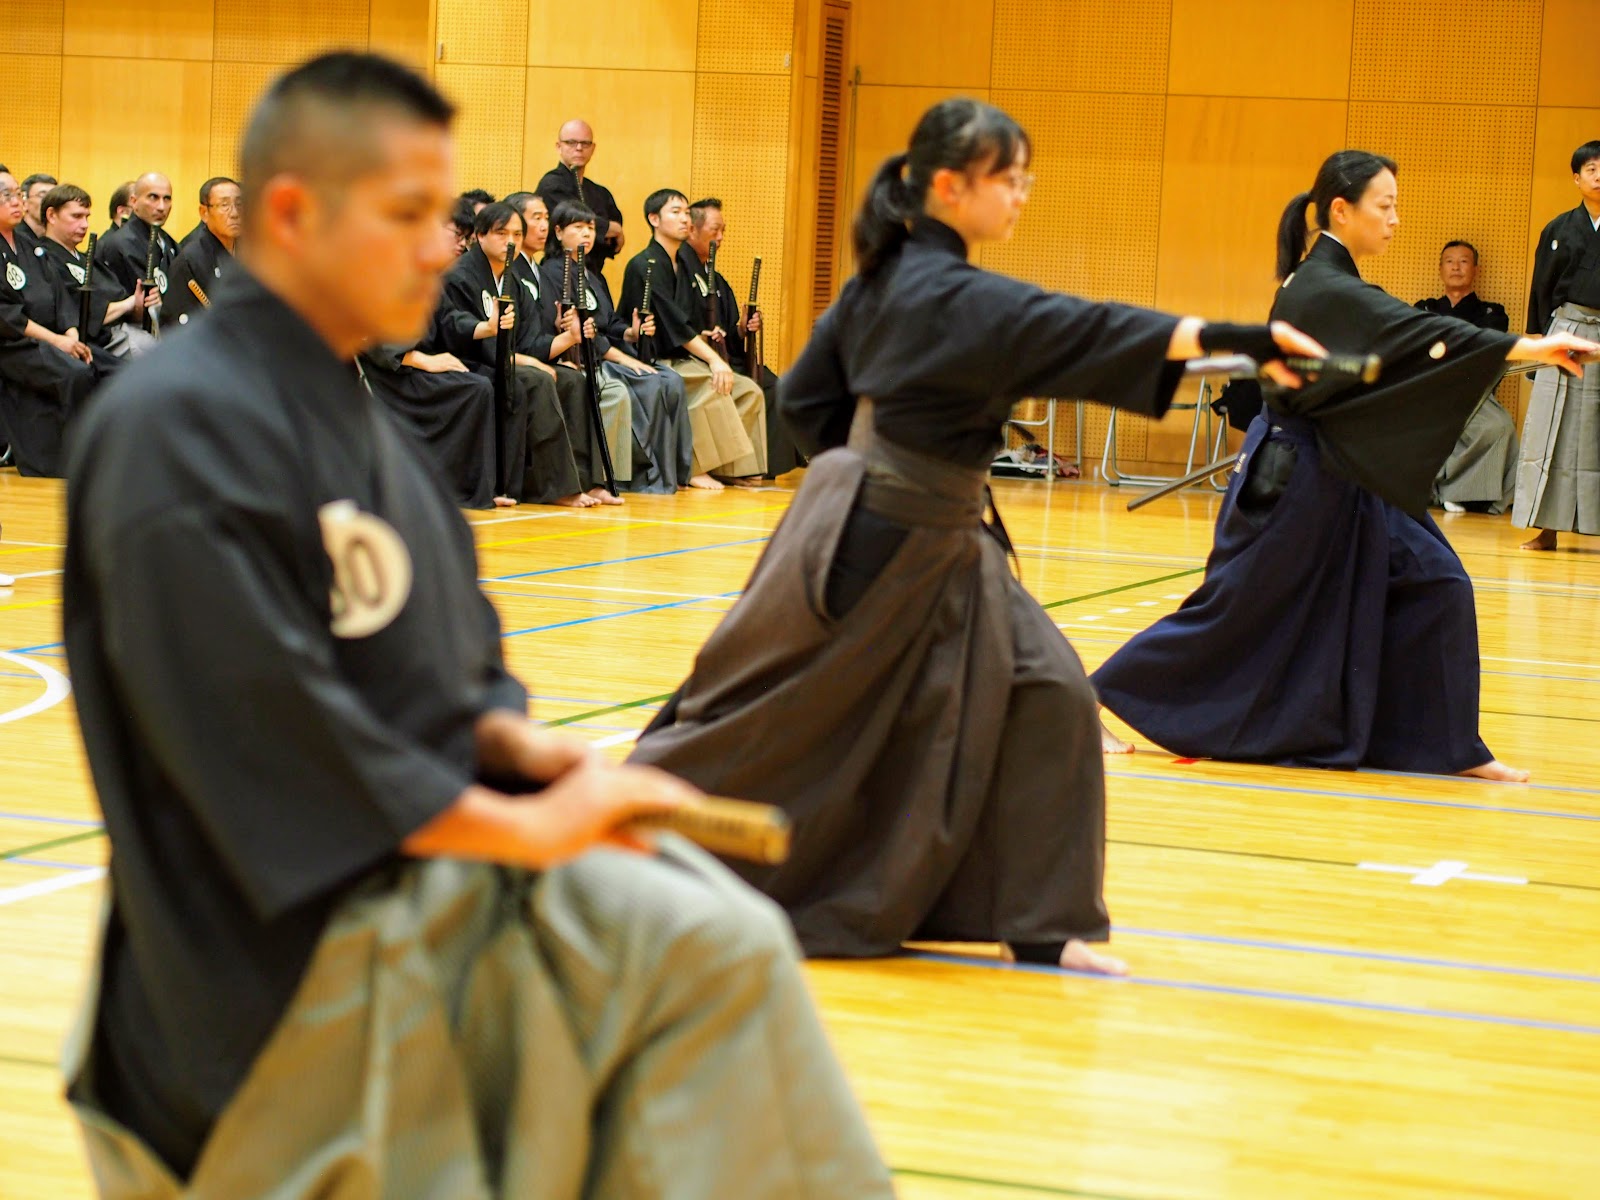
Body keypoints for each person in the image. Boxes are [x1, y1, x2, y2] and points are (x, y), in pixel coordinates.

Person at [60, 51, 893, 1199]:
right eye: (410, 216)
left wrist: (533, 753)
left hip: (411, 882)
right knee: (693, 959)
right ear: (292, 215)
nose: (443, 247)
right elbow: (266, 745)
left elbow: (443, 675)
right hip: (268, 966)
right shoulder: (178, 427)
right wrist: (529, 828)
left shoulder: (347, 417)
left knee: (715, 940)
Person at [629, 98, 1323, 974]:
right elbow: (1083, 327)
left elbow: (807, 400)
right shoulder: (935, 288)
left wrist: (864, 464)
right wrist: (1240, 340)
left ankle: (1042, 924)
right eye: (1010, 179)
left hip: (931, 529)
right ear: (951, 187)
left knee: (1048, 691)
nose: (1022, 195)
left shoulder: (890, 280)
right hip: (879, 536)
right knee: (775, 716)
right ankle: (623, 847)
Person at [1093, 151, 1598, 783]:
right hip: (1291, 474)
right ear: (1341, 209)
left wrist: (1527, 351)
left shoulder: (1336, 285)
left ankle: (1450, 746)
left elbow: (1403, 343)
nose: (1395, 220)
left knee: (1435, 581)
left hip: (1349, 468)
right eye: (1384, 206)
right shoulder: (1322, 287)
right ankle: (1089, 695)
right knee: (1239, 605)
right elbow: (1419, 336)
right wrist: (1534, 347)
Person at [430, 201, 613, 506]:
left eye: (517, 234)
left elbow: (530, 342)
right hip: (471, 362)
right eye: (502, 233)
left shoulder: (512, 280)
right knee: (536, 380)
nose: (510, 241)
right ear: (480, 235)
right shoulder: (459, 277)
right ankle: (555, 487)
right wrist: (525, 361)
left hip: (507, 360)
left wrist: (569, 337)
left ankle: (585, 480)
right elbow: (461, 335)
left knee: (572, 380)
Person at [542, 200, 694, 494]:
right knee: (650, 383)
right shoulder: (554, 271)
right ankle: (636, 476)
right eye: (578, 227)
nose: (586, 233)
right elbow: (584, 330)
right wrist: (622, 358)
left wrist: (630, 333)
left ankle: (671, 472)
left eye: (590, 227)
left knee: (671, 380)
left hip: (609, 352)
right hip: (589, 356)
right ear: (558, 232)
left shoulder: (592, 273)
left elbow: (608, 321)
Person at [619, 189, 767, 489]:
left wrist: (716, 335)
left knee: (749, 390)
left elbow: (688, 320)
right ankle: (694, 468)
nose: (684, 219)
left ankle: (735, 467)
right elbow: (673, 323)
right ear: (654, 219)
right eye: (675, 212)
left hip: (683, 354)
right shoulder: (645, 264)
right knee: (712, 384)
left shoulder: (685, 266)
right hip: (652, 356)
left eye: (686, 212)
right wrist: (714, 360)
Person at [1515, 139, 1600, 550]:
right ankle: (1546, 529)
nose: (1598, 176)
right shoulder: (1559, 229)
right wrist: (1541, 337)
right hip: (1567, 329)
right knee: (1552, 428)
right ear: (1576, 178)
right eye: (1591, 169)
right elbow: (1542, 287)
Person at [0, 170, 111, 475]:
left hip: (54, 338)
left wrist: (71, 335)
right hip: (15, 344)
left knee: (112, 368)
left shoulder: (30, 246)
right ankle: (71, 459)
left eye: (18, 195)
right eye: (7, 195)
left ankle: (106, 454)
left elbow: (60, 297)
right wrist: (57, 341)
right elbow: (6, 315)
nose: (16, 202)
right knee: (76, 373)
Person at [686, 197, 804, 478]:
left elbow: (730, 332)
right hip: (696, 357)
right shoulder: (682, 273)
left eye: (723, 231)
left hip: (724, 356)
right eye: (715, 230)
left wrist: (741, 328)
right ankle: (734, 466)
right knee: (753, 386)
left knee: (773, 384)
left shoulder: (716, 279)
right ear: (692, 230)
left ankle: (764, 465)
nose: (720, 238)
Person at [1415, 241, 1517, 513]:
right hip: (1428, 391)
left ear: (1475, 269)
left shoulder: (1492, 313)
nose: (1456, 267)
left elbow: (1486, 351)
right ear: (1440, 269)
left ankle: (1459, 492)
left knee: (1498, 427)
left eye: (1463, 261)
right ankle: (1423, 491)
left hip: (1473, 392)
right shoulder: (1424, 309)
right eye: (1449, 261)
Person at [36, 183, 154, 360]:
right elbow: (78, 314)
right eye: (76, 216)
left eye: (86, 217)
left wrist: (138, 303)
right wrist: (128, 304)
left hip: (124, 330)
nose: (84, 225)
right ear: (52, 215)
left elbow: (121, 298)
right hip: (95, 343)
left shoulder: (87, 260)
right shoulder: (43, 260)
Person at [93, 172, 177, 334]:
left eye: (167, 199)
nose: (161, 206)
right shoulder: (120, 244)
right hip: (131, 331)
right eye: (153, 197)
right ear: (134, 201)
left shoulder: (166, 241)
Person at [535, 119, 626, 268]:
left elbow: (614, 241)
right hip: (561, 267)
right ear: (559, 146)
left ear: (593, 148)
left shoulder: (600, 192)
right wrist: (609, 229)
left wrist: (612, 231)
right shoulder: (551, 185)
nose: (578, 148)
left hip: (592, 271)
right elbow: (570, 221)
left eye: (585, 143)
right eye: (571, 143)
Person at [165, 176, 241, 328]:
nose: (235, 213)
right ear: (204, 212)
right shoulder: (190, 259)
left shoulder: (250, 252)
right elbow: (175, 322)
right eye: (224, 205)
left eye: (240, 204)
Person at [17, 172, 56, 248]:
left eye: (54, 197)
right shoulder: (14, 239)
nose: (50, 201)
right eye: (42, 195)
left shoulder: (57, 240)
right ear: (24, 203)